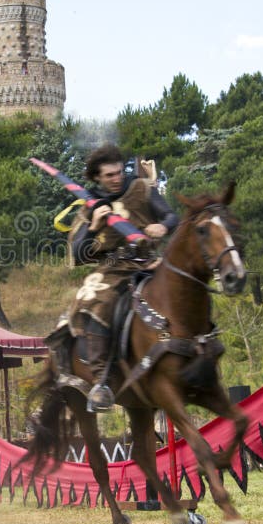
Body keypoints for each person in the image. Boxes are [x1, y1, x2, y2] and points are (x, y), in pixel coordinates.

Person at [67, 144, 178, 412]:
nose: (116, 178)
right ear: (97, 177)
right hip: (113, 268)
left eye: (119, 172)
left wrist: (162, 226)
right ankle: (101, 381)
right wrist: (94, 226)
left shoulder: (141, 188)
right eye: (109, 175)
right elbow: (79, 253)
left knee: (184, 287)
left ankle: (200, 347)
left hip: (150, 261)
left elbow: (171, 216)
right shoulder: (90, 206)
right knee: (97, 302)